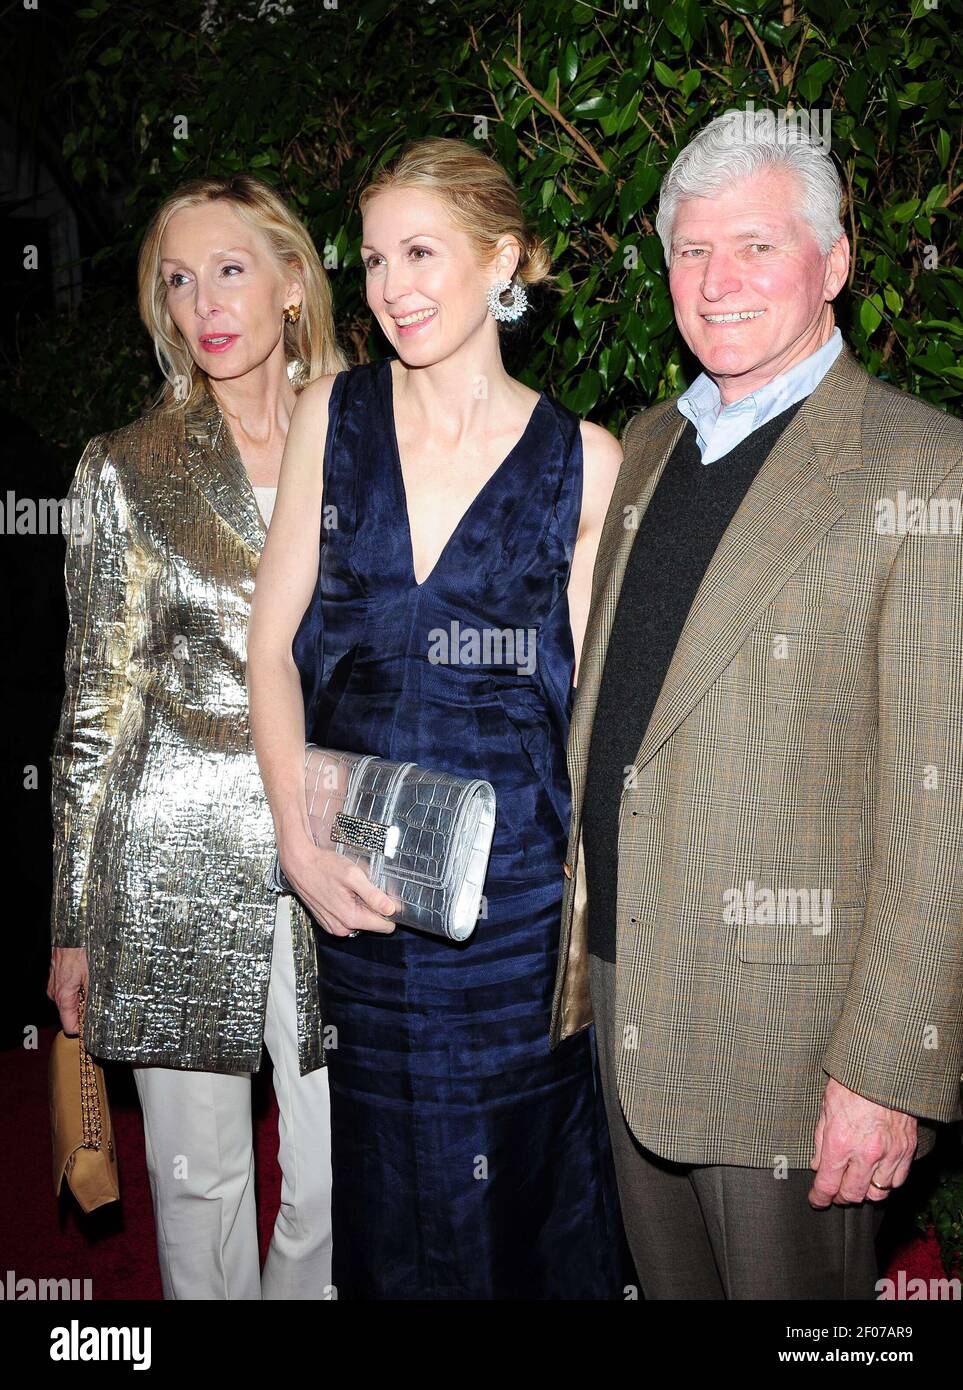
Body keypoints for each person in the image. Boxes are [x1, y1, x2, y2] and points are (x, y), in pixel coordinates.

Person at [551, 106, 963, 1300]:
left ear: (834, 263)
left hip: (794, 1041)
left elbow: (943, 808)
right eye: (691, 250)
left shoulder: (921, 468)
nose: (716, 280)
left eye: (757, 246)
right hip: (630, 990)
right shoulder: (645, 444)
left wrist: (889, 1069)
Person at [248, 136, 626, 1299]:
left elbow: (587, 727)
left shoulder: (587, 463)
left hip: (511, 912)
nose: (390, 286)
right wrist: (299, 847)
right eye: (370, 259)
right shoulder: (332, 417)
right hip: (357, 875)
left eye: (421, 252)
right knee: (385, 1205)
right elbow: (267, 652)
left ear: (501, 257)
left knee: (516, 1205)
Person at [47, 173, 346, 1300]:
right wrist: (74, 917)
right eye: (180, 279)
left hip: (336, 848)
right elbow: (90, 712)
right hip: (170, 862)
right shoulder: (126, 467)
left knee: (333, 1163)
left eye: (230, 268)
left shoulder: (369, 439)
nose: (206, 302)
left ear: (290, 281)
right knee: (201, 1176)